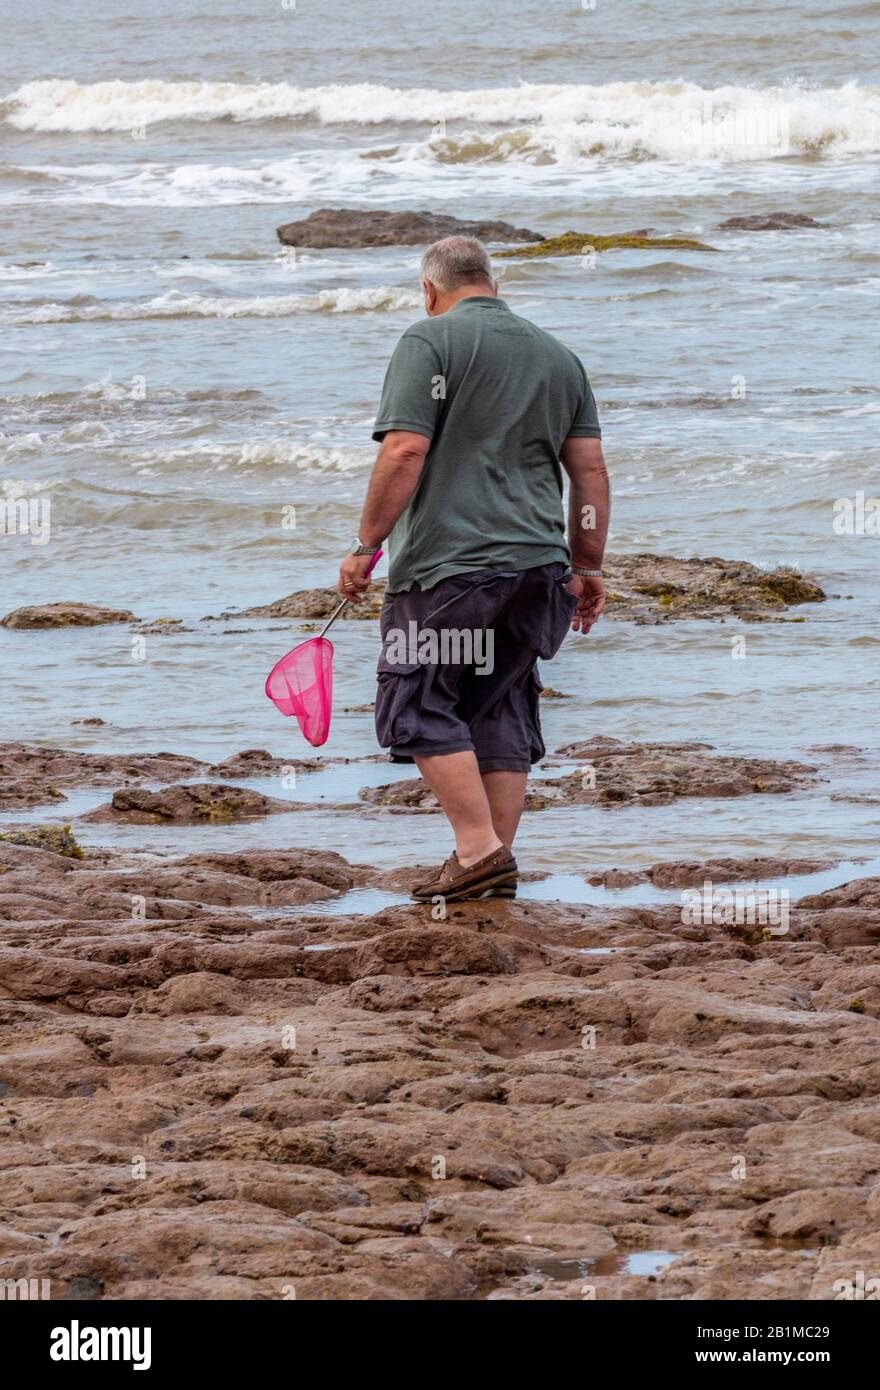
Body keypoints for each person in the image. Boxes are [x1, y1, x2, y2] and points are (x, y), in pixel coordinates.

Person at [337, 235, 609, 901]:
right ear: (492, 280)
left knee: (417, 701)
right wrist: (588, 565)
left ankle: (479, 850)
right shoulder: (558, 356)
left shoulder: (429, 343)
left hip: (449, 570)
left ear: (430, 290)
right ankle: (490, 865)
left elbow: (404, 450)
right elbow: (590, 471)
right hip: (538, 572)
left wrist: (366, 545)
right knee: (498, 710)